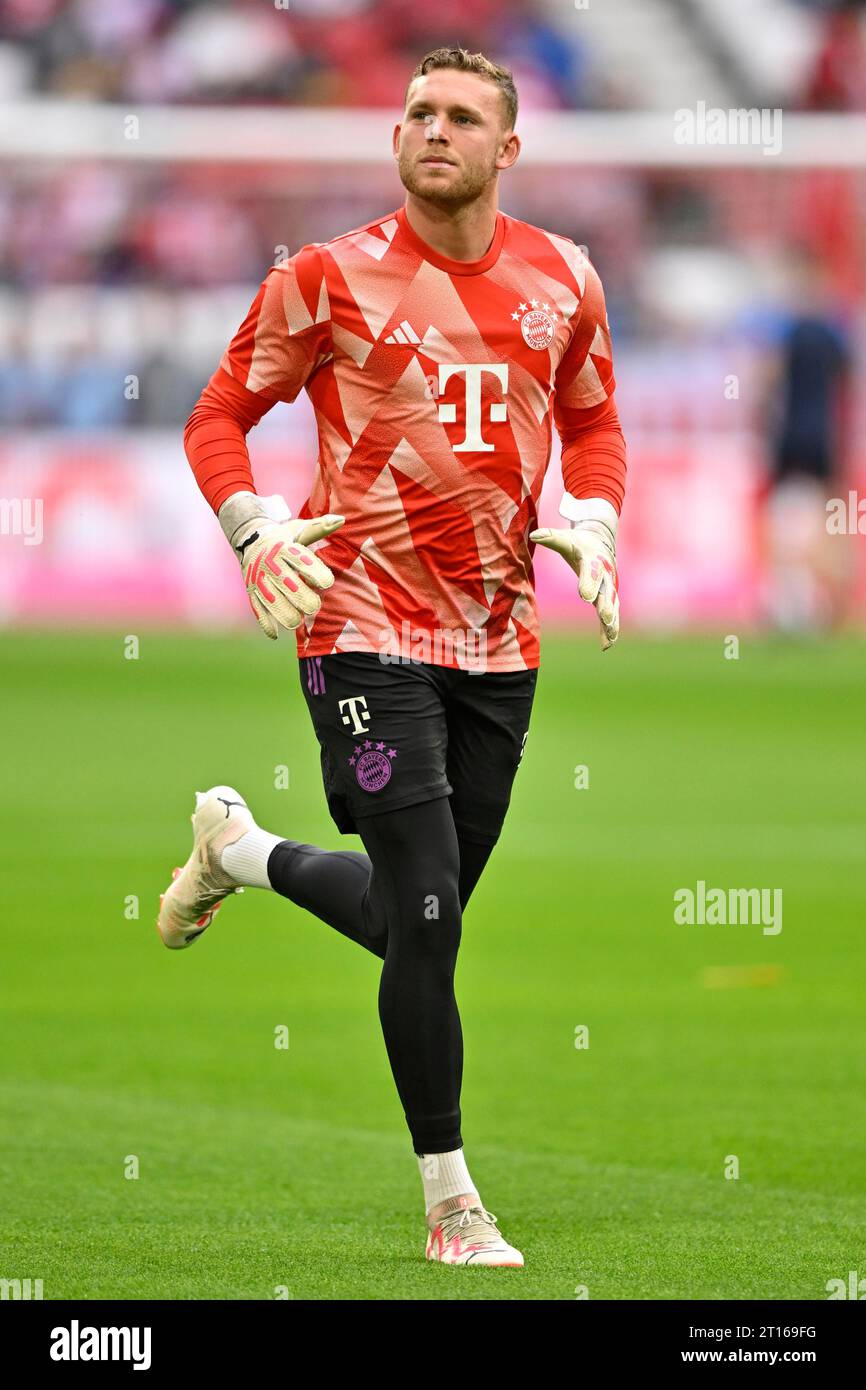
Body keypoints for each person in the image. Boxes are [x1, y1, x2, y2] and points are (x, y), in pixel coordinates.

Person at [162, 46, 626, 1267]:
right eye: (417, 110)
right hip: (359, 625)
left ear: (505, 150)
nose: (433, 128)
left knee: (417, 914)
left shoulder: (562, 280)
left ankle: (239, 850)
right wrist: (253, 525)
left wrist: (594, 517)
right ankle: (451, 1200)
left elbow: (590, 421)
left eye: (462, 115)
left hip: (496, 636)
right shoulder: (324, 278)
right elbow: (217, 414)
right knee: (426, 913)